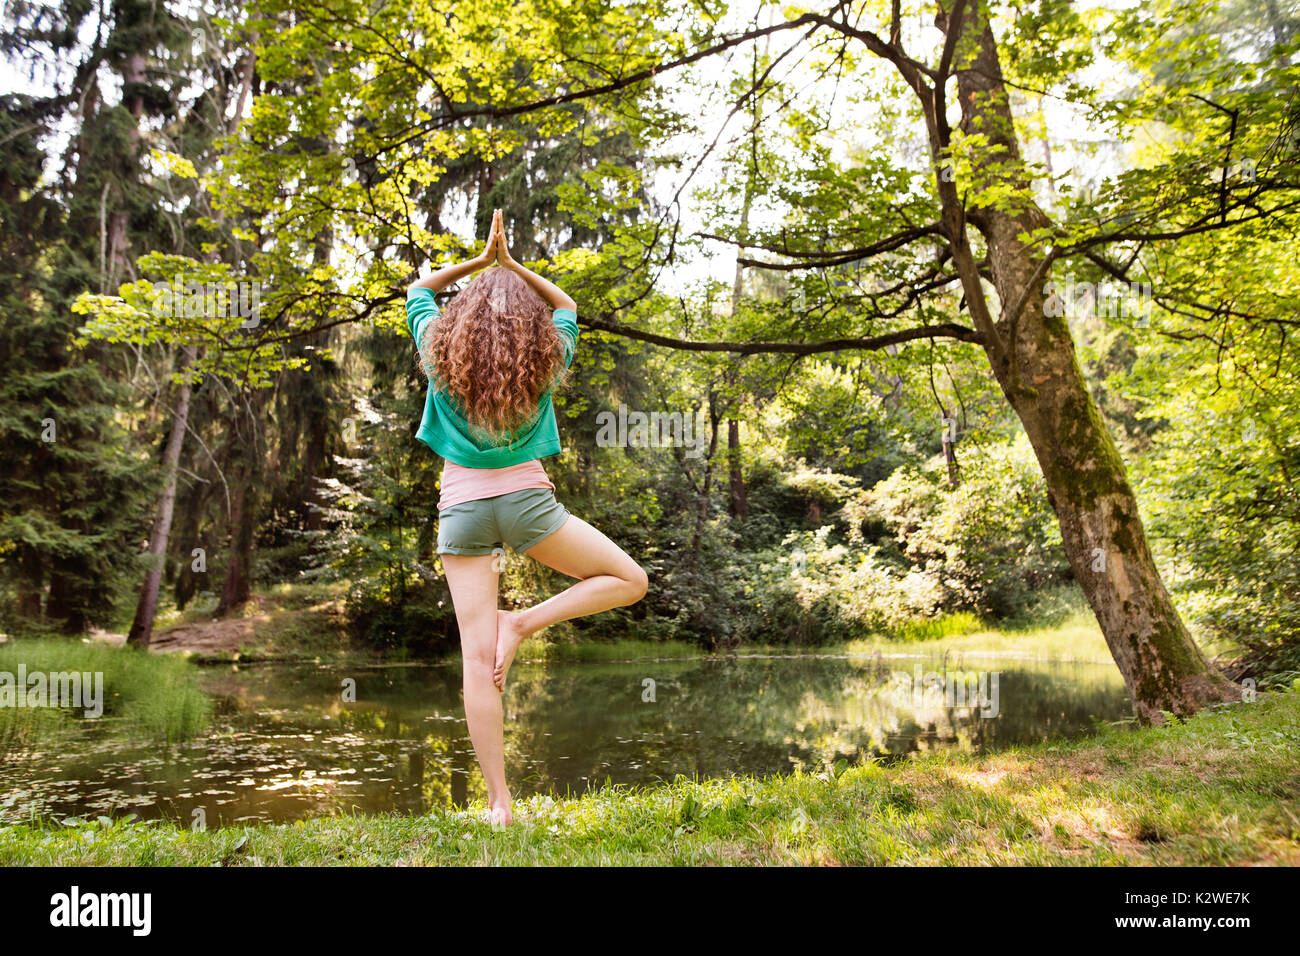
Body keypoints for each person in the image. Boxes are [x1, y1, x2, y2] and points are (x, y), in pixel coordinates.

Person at [406, 209, 649, 826]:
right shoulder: (545, 362)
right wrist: (512, 267)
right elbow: (566, 305)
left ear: (461, 320)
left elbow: (418, 291)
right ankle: (524, 625)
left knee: (472, 656)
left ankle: (498, 803)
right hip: (529, 508)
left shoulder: (438, 353)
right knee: (630, 582)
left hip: (461, 513)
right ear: (530, 328)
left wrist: (479, 265)